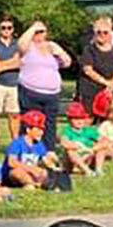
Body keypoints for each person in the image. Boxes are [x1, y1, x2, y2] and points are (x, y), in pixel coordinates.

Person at [18, 20, 72, 150]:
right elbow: (20, 44)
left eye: (42, 31)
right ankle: (27, 149)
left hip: (51, 93)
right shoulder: (28, 47)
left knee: (50, 124)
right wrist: (33, 27)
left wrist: (59, 52)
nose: (39, 35)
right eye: (37, 32)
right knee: (30, 122)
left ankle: (48, 150)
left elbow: (67, 62)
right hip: (30, 91)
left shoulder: (51, 46)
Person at [0, 15, 23, 139]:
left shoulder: (19, 44)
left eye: (9, 28)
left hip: (15, 84)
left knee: (14, 114)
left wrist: (2, 65)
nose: (6, 30)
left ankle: (15, 141)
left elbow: (22, 63)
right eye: (3, 28)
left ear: (13, 29)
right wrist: (13, 61)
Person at [79, 17, 113, 117]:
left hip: (108, 91)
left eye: (105, 32)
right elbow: (88, 70)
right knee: (88, 119)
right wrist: (105, 82)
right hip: (90, 90)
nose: (102, 35)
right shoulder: (89, 50)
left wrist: (111, 85)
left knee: (108, 119)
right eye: (99, 32)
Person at [4, 110, 60, 189]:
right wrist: (31, 169)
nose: (41, 133)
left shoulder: (39, 144)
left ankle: (33, 184)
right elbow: (11, 163)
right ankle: (35, 184)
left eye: (42, 130)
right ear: (28, 130)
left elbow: (46, 160)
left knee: (44, 172)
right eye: (38, 130)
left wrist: (54, 168)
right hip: (13, 175)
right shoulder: (17, 143)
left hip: (31, 172)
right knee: (17, 173)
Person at [61, 102, 113, 176]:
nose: (79, 121)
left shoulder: (89, 130)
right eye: (76, 118)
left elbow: (105, 141)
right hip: (73, 159)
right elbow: (64, 143)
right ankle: (86, 170)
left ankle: (99, 169)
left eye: (81, 118)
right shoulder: (68, 131)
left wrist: (93, 149)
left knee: (102, 149)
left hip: (88, 154)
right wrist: (78, 146)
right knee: (70, 151)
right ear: (69, 120)